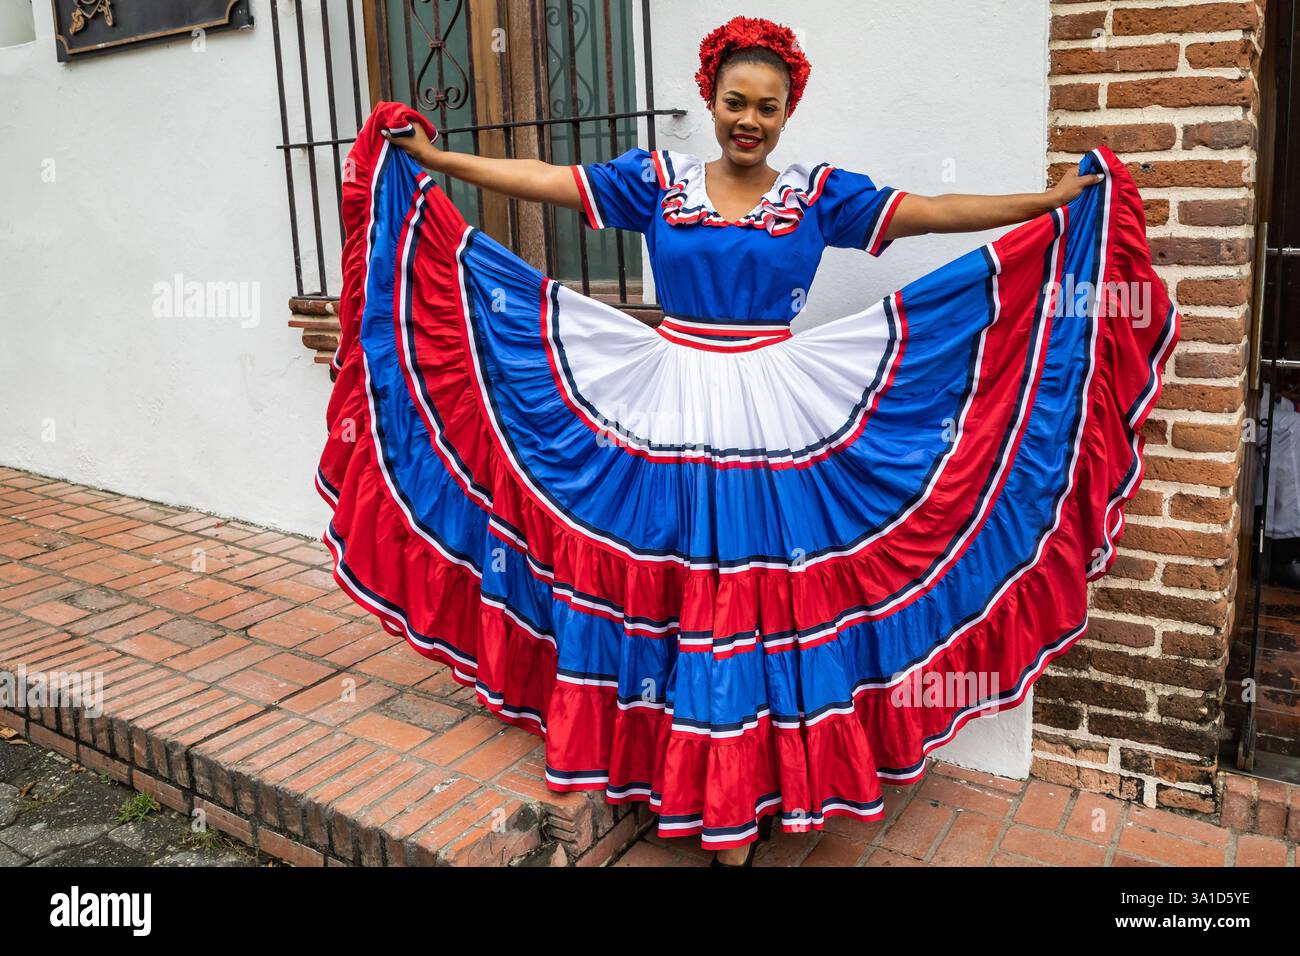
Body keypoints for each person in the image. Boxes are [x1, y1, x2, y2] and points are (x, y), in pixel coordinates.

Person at [320, 15, 1178, 867]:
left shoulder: (816, 195)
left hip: (773, 406)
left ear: (787, 111)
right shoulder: (657, 181)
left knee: (759, 599)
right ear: (710, 96)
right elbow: (543, 178)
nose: (749, 121)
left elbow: (932, 210)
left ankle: (741, 794)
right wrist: (436, 163)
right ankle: (665, 767)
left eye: (768, 108)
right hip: (662, 397)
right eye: (736, 102)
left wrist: (1049, 203)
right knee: (667, 582)